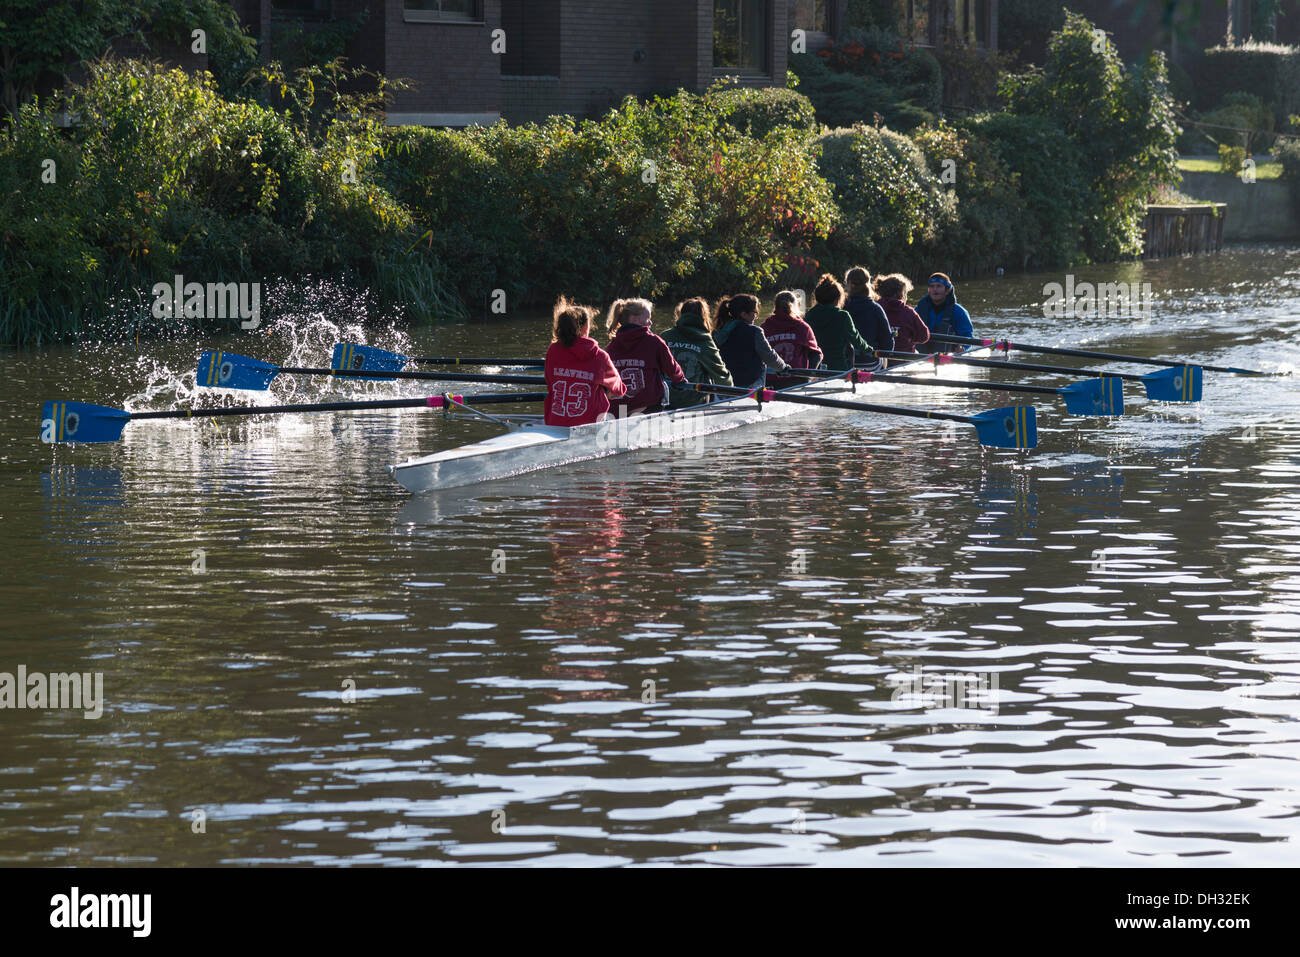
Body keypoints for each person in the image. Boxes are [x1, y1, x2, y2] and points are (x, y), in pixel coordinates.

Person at [544, 296, 627, 427]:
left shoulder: (552, 351)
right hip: (589, 425)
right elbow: (620, 389)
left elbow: (550, 382)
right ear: (586, 327)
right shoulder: (600, 356)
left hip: (555, 423)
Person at [604, 298, 686, 415]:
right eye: (648, 318)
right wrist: (680, 380)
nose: (650, 323)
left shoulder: (612, 346)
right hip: (645, 406)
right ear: (634, 319)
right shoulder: (654, 342)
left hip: (618, 409)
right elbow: (672, 368)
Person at [661, 298, 733, 409]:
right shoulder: (704, 340)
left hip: (666, 399)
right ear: (704, 316)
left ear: (681, 314)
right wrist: (731, 389)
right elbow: (721, 375)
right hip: (693, 401)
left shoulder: (664, 336)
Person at [714, 293, 791, 390]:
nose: (755, 316)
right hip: (750, 383)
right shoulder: (755, 331)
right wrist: (783, 368)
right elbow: (769, 356)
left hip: (726, 384)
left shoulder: (719, 331)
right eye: (754, 312)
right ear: (743, 314)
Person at [803, 273, 877, 373]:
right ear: (837, 298)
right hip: (839, 368)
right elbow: (856, 339)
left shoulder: (809, 315)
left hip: (816, 367)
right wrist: (869, 350)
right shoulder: (842, 316)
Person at [761, 291, 823, 385]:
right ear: (795, 306)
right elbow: (816, 354)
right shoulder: (802, 327)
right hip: (796, 380)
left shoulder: (764, 328)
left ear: (775, 306)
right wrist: (808, 377)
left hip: (769, 381)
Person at [914, 271, 974, 354]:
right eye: (932, 286)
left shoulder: (959, 312)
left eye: (939, 286)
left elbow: (968, 337)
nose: (935, 289)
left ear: (948, 290)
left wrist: (963, 347)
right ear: (928, 290)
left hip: (947, 358)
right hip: (920, 358)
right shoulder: (918, 310)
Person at [844, 266, 894, 362]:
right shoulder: (876, 308)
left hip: (844, 365)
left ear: (849, 284)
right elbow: (888, 347)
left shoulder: (841, 308)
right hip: (870, 363)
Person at [874, 274, 930, 354]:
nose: (906, 297)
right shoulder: (909, 312)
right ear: (900, 294)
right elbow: (924, 336)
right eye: (906, 293)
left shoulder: (873, 309)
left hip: (879, 361)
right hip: (903, 362)